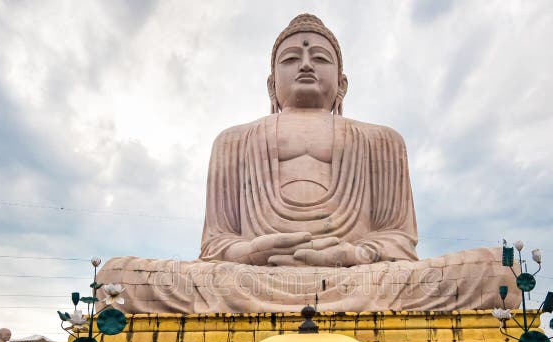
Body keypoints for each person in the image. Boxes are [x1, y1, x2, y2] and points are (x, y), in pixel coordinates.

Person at [99, 14, 518, 314]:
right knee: (116, 278)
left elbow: (398, 242)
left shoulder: (381, 140)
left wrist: (350, 254)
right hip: (251, 278)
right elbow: (215, 247)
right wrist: (250, 250)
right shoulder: (233, 140)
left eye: (319, 58)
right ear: (270, 83)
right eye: (290, 59)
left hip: (358, 278)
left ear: (342, 82)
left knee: (499, 273)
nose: (304, 64)